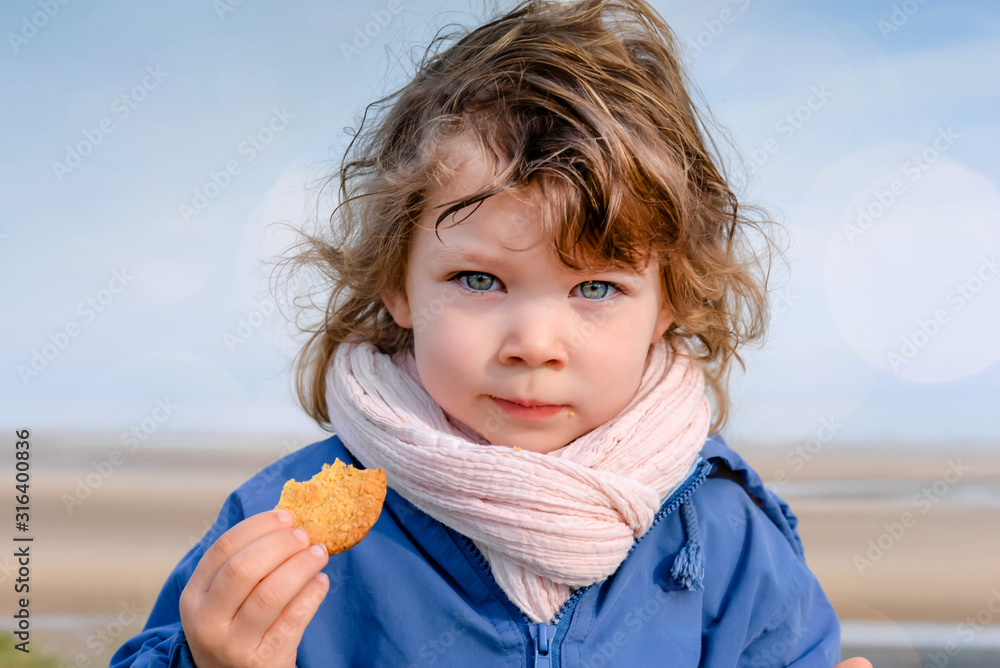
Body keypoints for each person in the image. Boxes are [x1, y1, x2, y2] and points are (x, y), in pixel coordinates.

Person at [113, 0, 874, 665]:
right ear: (394, 278)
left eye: (597, 288)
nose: (534, 344)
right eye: (479, 281)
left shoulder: (724, 539)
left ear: (670, 301)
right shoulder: (282, 522)